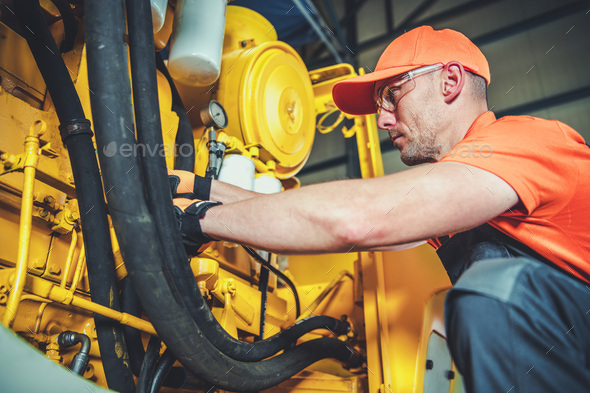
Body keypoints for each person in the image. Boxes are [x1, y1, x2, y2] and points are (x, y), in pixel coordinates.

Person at [170, 26, 590, 393]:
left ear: (450, 82)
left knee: (494, 287)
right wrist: (200, 189)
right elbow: (309, 215)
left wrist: (201, 220)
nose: (383, 120)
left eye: (392, 95)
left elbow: (356, 219)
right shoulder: (460, 200)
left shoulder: (525, 141)